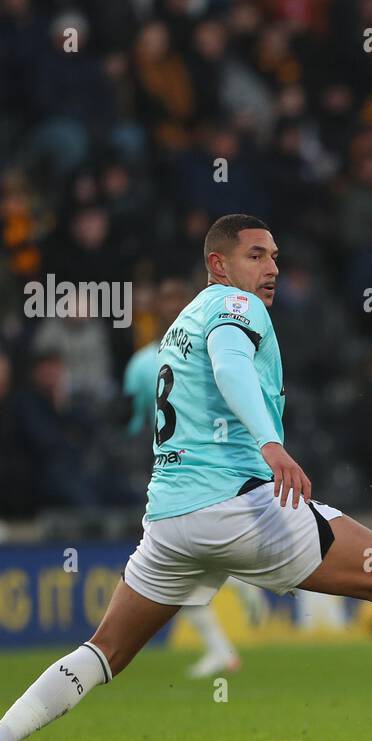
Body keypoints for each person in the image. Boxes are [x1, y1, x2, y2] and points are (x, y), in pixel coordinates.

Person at [0, 215, 372, 741]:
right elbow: (231, 366)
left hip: (169, 524)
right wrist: (271, 444)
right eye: (256, 255)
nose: (270, 268)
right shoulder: (233, 306)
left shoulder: (179, 325)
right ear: (218, 264)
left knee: (105, 649)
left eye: (274, 257)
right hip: (238, 506)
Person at [120, 276, 270, 679]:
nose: (169, 307)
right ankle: (226, 629)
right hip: (168, 470)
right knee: (184, 567)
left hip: (209, 470)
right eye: (162, 299)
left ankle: (242, 583)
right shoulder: (141, 363)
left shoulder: (215, 344)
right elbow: (136, 421)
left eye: (175, 299)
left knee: (183, 558)